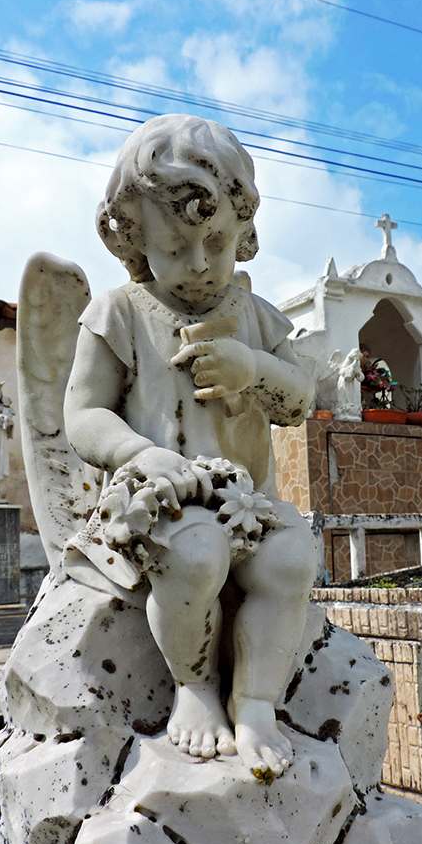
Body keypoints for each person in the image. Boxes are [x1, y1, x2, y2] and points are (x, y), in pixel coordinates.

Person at [62, 115, 317, 782]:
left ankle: (256, 701)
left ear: (243, 231)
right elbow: (82, 413)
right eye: (175, 247)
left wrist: (253, 370)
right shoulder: (120, 311)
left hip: (247, 503)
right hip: (161, 497)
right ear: (135, 238)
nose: (200, 264)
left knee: (291, 559)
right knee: (196, 555)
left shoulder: (257, 318)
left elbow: (299, 402)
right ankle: (194, 686)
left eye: (215, 242)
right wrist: (136, 454)